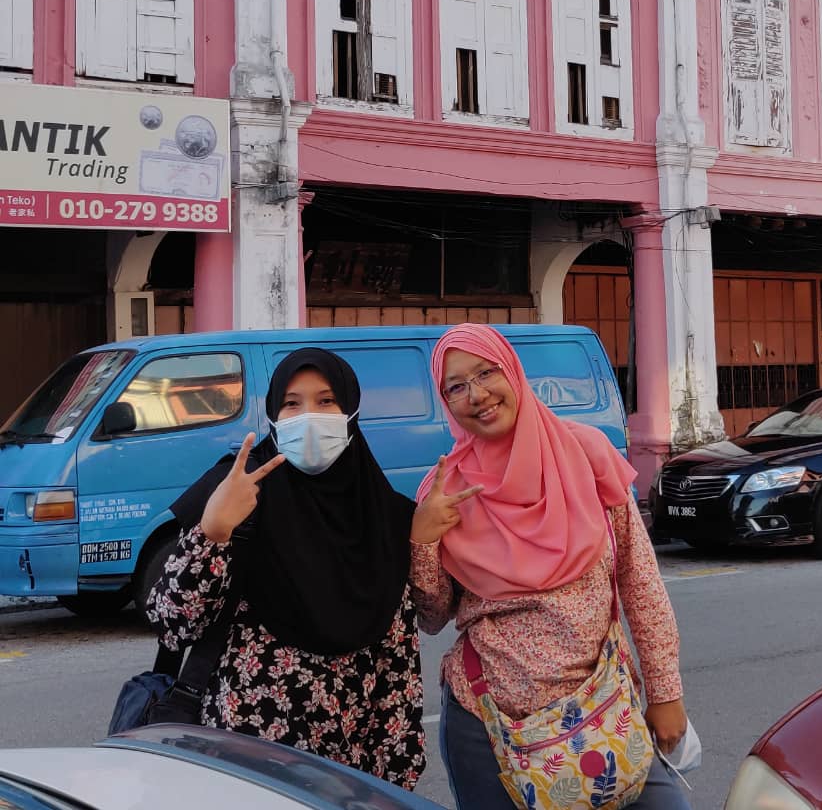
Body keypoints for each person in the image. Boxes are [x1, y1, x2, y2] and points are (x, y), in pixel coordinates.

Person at [410, 324, 691, 809]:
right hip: (490, 724)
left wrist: (666, 693)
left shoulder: (585, 453)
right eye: (456, 387)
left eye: (486, 372)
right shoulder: (445, 489)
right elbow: (432, 617)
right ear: (446, 402)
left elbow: (640, 581)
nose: (477, 395)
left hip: (604, 704)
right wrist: (423, 538)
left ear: (512, 370)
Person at [146, 347, 425, 790]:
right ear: (274, 415)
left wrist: (395, 779)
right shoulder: (239, 492)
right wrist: (213, 531)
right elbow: (173, 623)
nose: (309, 416)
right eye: (292, 404)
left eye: (326, 401)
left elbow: (399, 661)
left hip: (351, 775)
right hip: (246, 765)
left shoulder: (383, 515)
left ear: (351, 411)